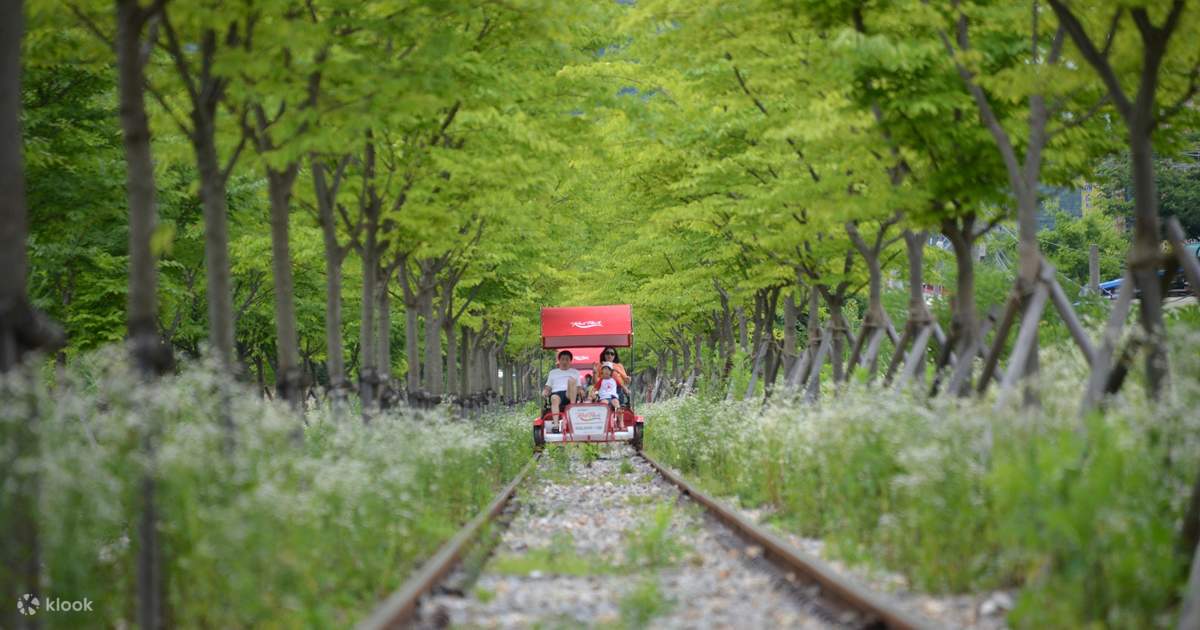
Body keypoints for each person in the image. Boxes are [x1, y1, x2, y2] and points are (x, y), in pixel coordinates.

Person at [542, 350, 579, 425]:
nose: (564, 362)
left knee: (571, 380)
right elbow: (548, 387)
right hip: (557, 393)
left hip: (569, 393)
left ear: (570, 361)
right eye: (562, 359)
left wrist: (581, 391)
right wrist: (545, 391)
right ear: (559, 361)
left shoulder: (575, 372)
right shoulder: (553, 372)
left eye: (567, 359)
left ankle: (572, 413)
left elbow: (579, 387)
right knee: (554, 398)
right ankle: (556, 425)